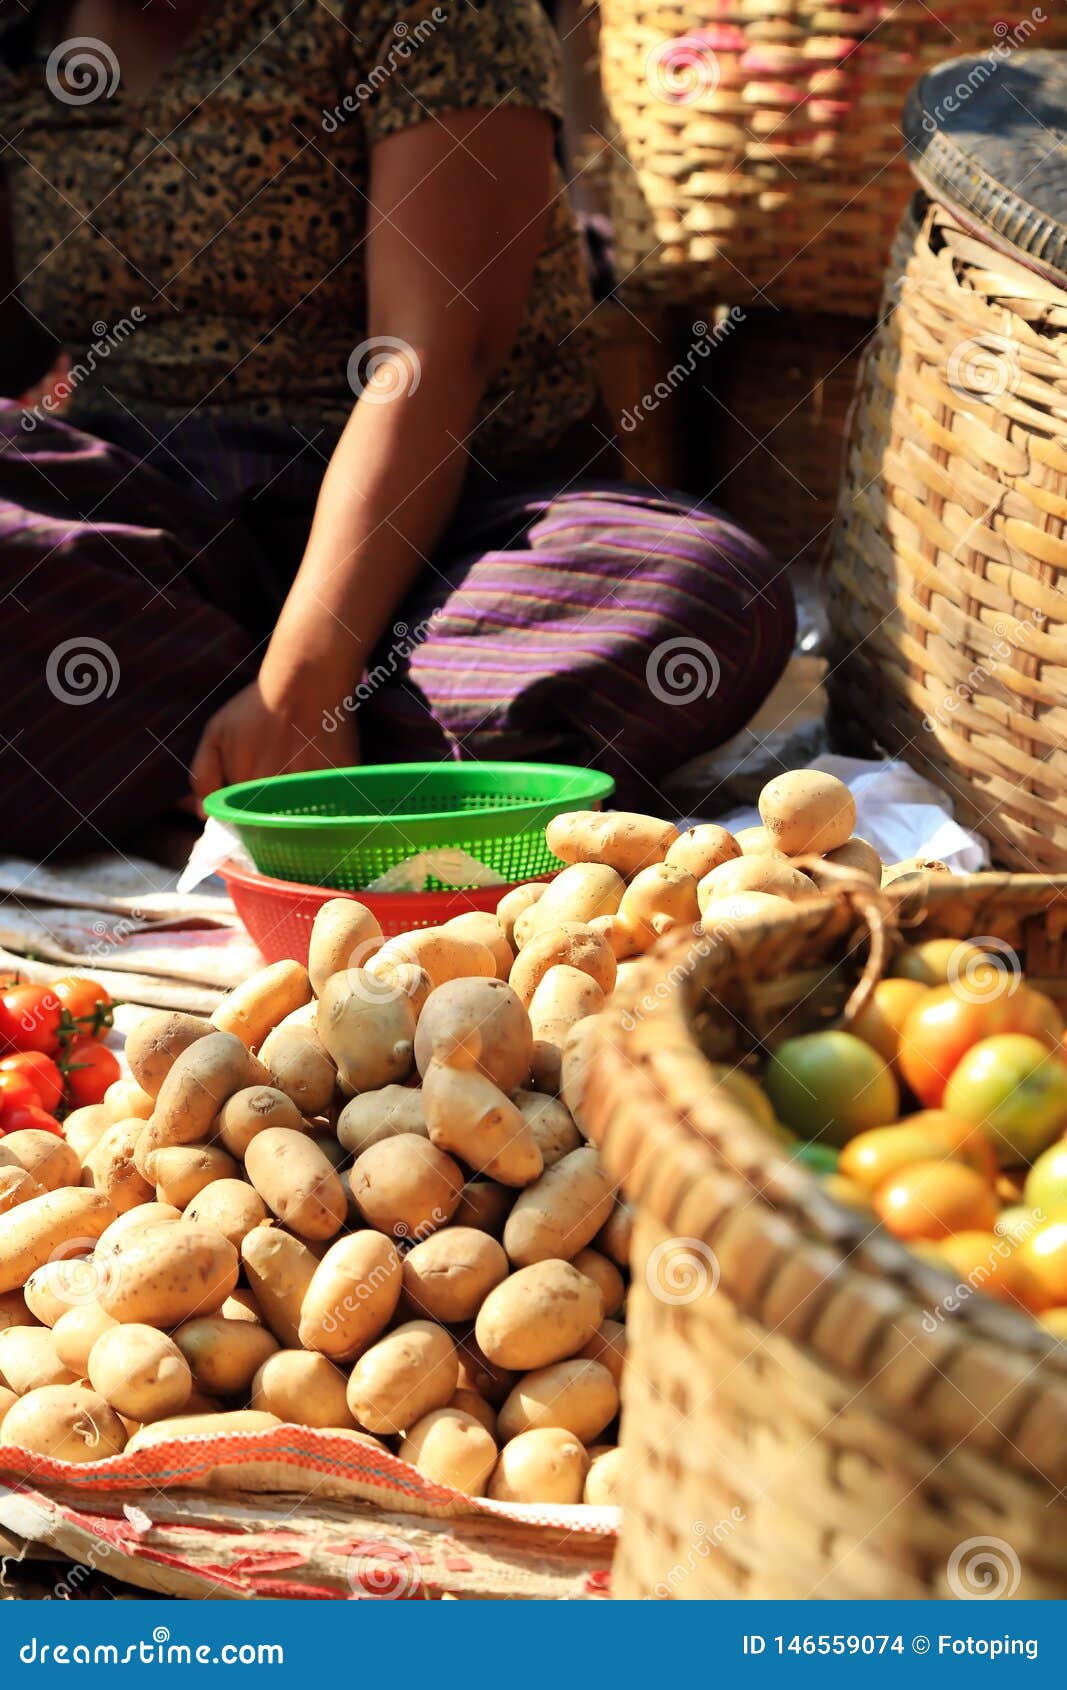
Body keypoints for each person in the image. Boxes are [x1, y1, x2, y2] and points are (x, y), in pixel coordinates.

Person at [0, 0, 794, 855]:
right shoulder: (27, 38)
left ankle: (211, 746)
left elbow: (427, 360)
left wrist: (308, 677)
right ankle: (333, 764)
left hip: (447, 543)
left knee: (706, 594)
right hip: (152, 536)